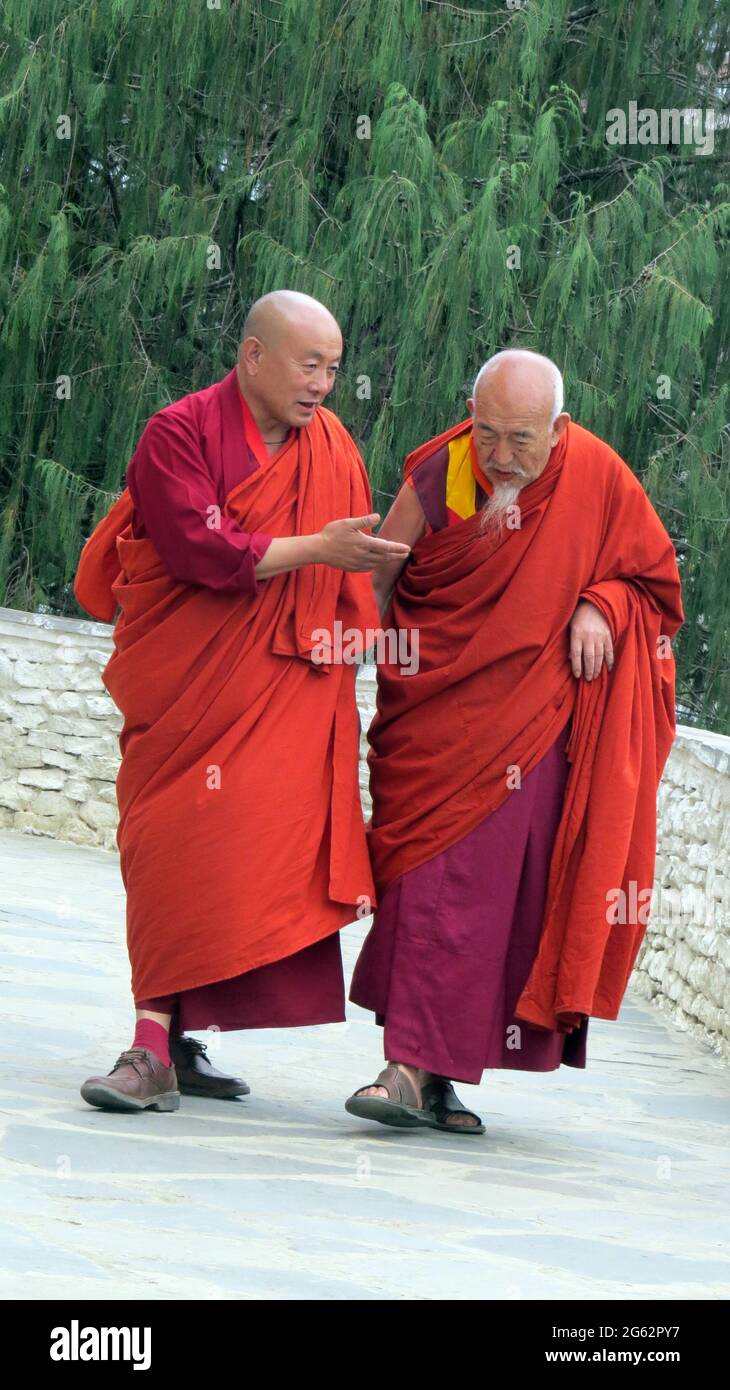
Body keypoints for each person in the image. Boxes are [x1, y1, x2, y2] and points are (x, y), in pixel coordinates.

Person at [74, 289, 410, 1113]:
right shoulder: (177, 433)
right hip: (188, 688)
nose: (324, 385)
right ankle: (149, 1048)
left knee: (241, 858)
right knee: (168, 844)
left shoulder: (329, 445)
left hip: (281, 690)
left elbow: (350, 577)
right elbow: (195, 547)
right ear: (254, 357)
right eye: (308, 365)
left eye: (333, 369)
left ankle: (171, 1044)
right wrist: (318, 551)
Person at [345, 349, 684, 1134]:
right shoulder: (445, 471)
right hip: (436, 719)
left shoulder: (597, 476)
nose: (499, 457)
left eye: (521, 440)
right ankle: (410, 1065)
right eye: (487, 431)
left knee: (496, 904)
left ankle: (427, 1075)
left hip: (532, 729)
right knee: (431, 887)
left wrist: (602, 603)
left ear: (559, 429)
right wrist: (329, 664)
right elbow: (379, 579)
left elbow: (655, 586)